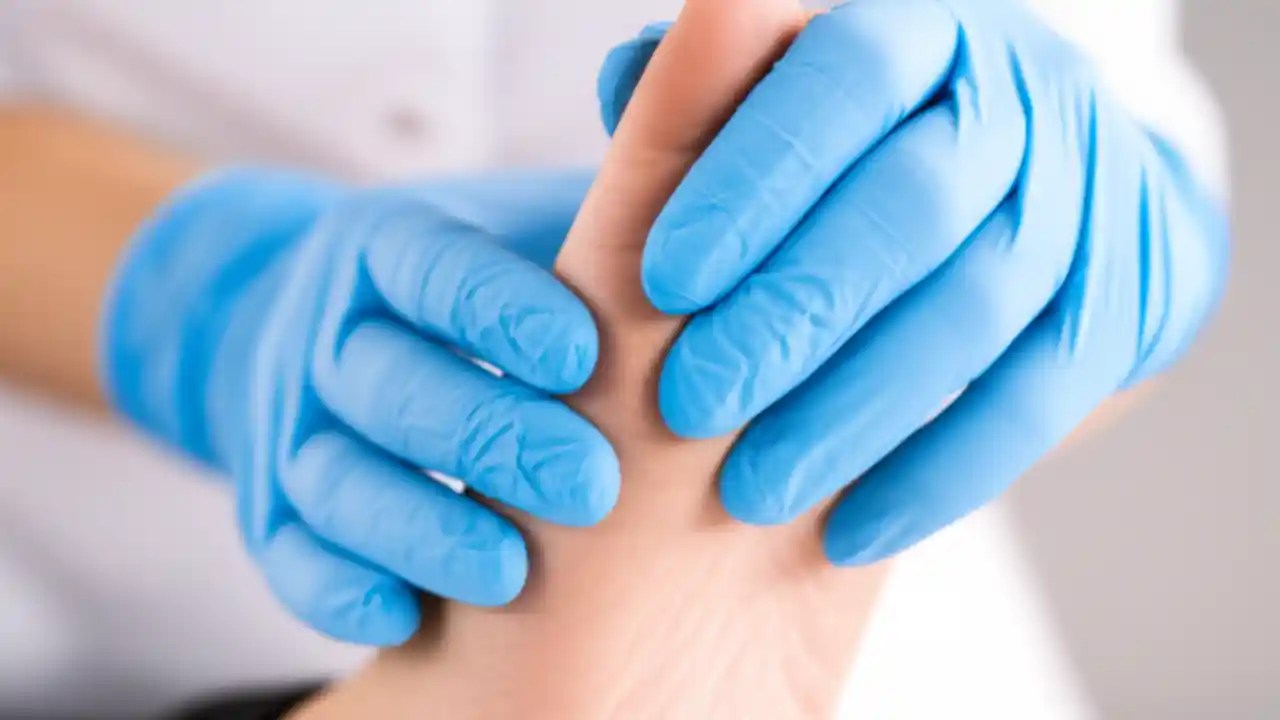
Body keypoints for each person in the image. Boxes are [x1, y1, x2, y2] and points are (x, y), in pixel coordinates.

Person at [0, 1, 1228, 717]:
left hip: (870, 618)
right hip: (96, 610)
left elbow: (1041, 185)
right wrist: (209, 296)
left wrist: (1061, 241)